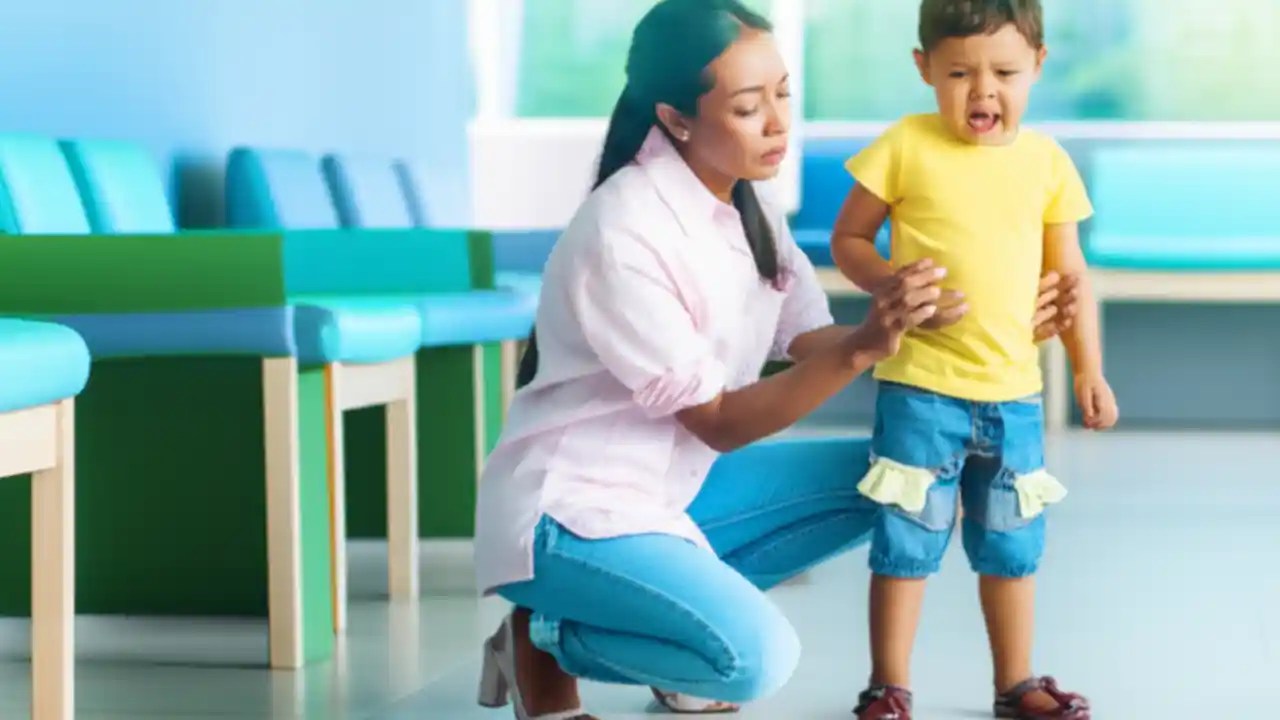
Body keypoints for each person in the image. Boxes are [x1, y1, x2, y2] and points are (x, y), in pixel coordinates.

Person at [472, 1, 1080, 718]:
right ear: (675, 119)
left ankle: (671, 625)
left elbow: (810, 339)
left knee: (900, 476)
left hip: (675, 492)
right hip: (572, 514)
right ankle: (543, 638)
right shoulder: (625, 229)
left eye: (783, 94)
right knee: (752, 660)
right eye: (747, 106)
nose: (777, 123)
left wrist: (950, 327)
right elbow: (721, 421)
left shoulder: (744, 203)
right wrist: (865, 344)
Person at [831, 2, 1119, 719]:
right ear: (924, 68)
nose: (983, 90)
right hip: (920, 392)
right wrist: (890, 284)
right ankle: (888, 685)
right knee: (905, 543)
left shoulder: (1047, 163)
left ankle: (1014, 684)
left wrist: (1087, 368)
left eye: (1005, 73)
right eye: (959, 73)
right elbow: (850, 240)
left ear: (1038, 66)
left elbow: (1069, 279)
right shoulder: (905, 144)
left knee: (1012, 549)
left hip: (1014, 396)